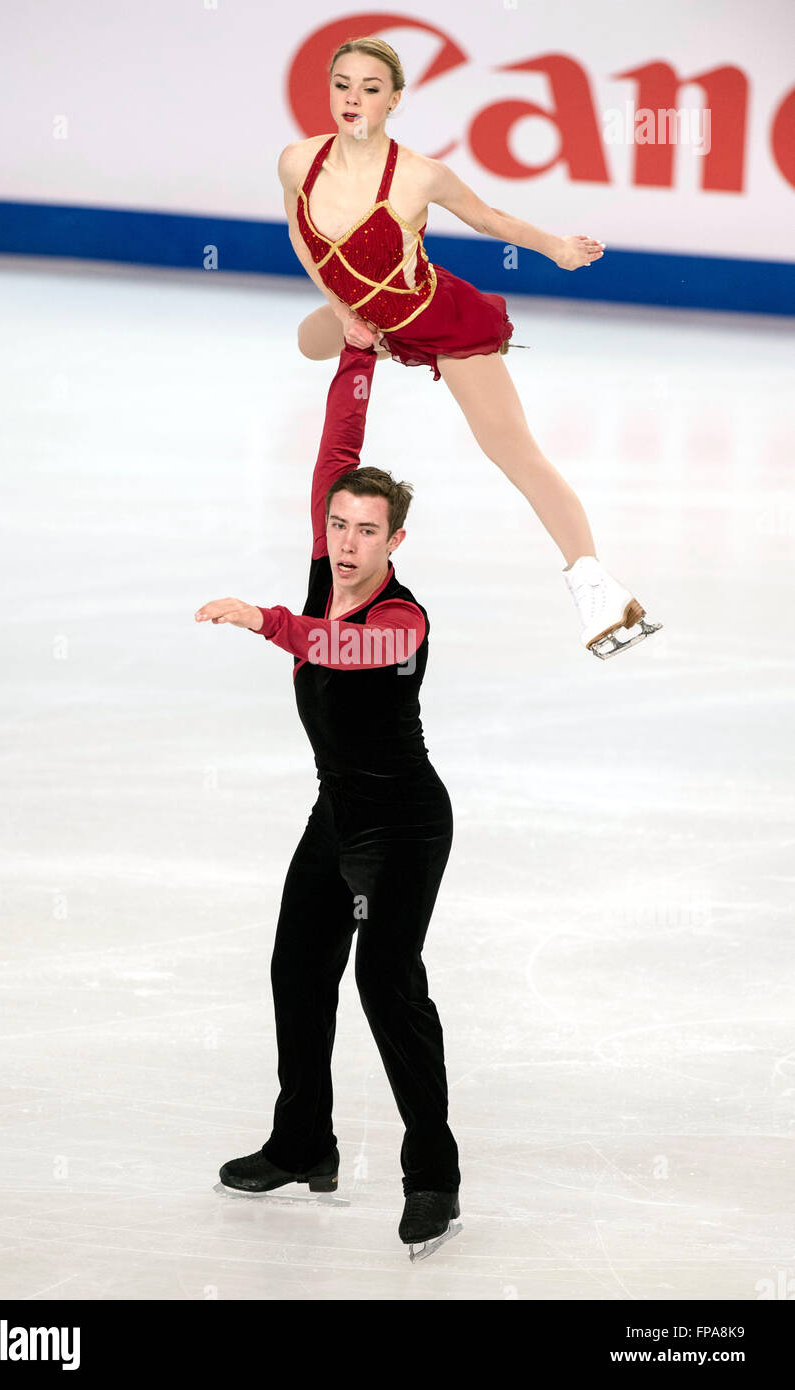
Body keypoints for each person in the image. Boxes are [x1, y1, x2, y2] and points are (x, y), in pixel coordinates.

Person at [196, 342, 461, 1259]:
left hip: (404, 829)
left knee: (386, 982)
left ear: (396, 541)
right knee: (297, 968)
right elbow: (335, 446)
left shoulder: (400, 621)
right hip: (336, 814)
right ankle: (305, 1140)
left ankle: (434, 1176)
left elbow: (334, 652)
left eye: (365, 531)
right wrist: (358, 350)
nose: (347, 544)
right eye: (339, 526)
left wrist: (263, 619)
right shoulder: (329, 574)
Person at [277, 36, 662, 660]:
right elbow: (302, 239)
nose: (353, 99)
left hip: (435, 317)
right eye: (342, 85)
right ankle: (351, 325)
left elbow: (491, 221)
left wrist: (556, 247)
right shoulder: (297, 161)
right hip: (362, 314)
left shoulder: (419, 174)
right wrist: (346, 311)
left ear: (394, 100)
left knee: (511, 450)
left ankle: (594, 581)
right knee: (306, 342)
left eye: (370, 89)